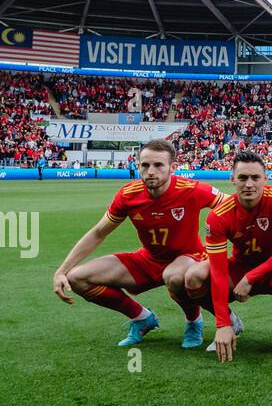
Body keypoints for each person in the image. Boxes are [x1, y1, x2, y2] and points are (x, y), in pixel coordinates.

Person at [52, 138, 223, 348]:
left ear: (172, 167)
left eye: (158, 165)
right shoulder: (128, 195)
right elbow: (98, 233)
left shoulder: (193, 189)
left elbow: (233, 206)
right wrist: (61, 271)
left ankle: (193, 321)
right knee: (77, 278)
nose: (151, 171)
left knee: (176, 277)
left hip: (189, 259)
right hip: (149, 259)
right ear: (138, 166)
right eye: (145, 165)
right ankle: (142, 318)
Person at [182, 149, 272, 361]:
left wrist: (251, 277)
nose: (249, 184)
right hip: (241, 267)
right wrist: (222, 324)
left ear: (265, 179)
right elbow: (219, 271)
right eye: (243, 178)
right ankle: (231, 322)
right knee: (193, 277)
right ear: (232, 179)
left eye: (255, 178)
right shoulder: (218, 216)